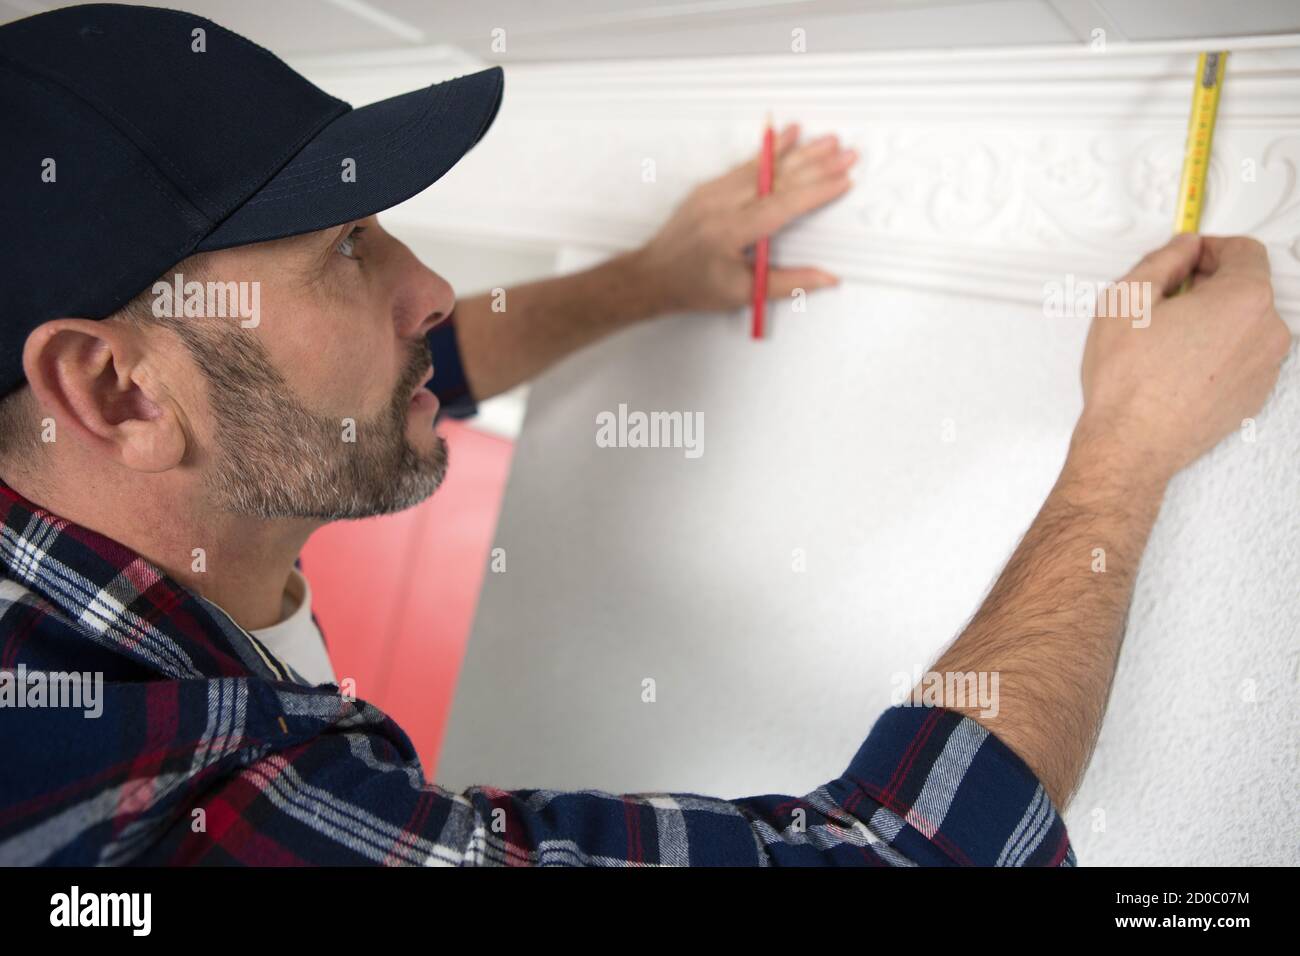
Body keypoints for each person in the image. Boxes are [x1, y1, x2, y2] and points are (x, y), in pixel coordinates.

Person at [0, 5, 1289, 867]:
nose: (428, 287)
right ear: (116, 395)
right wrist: (1126, 446)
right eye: (346, 250)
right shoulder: (169, 814)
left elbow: (353, 380)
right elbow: (904, 855)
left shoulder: (105, 473)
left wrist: (652, 278)